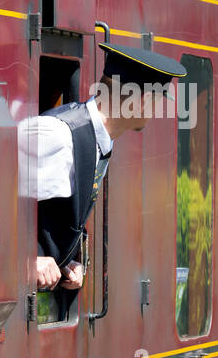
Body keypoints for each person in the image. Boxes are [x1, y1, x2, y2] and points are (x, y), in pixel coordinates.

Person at [22, 43, 187, 301]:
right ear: (142, 102)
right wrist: (26, 260)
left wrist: (62, 260)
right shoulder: (58, 135)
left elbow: (49, 217)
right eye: (156, 101)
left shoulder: (99, 140)